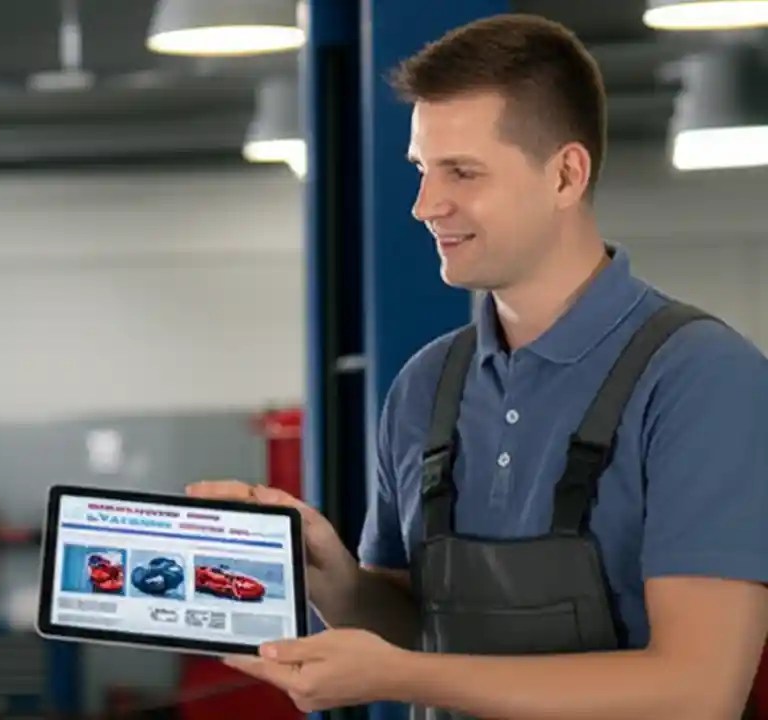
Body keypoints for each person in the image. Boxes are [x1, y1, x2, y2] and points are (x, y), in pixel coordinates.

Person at [189, 13, 768, 720]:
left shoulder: (701, 379)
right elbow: (417, 628)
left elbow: (695, 691)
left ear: (565, 173)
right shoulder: (426, 387)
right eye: (422, 171)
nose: (425, 205)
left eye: (461, 172)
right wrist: (333, 580)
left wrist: (408, 676)